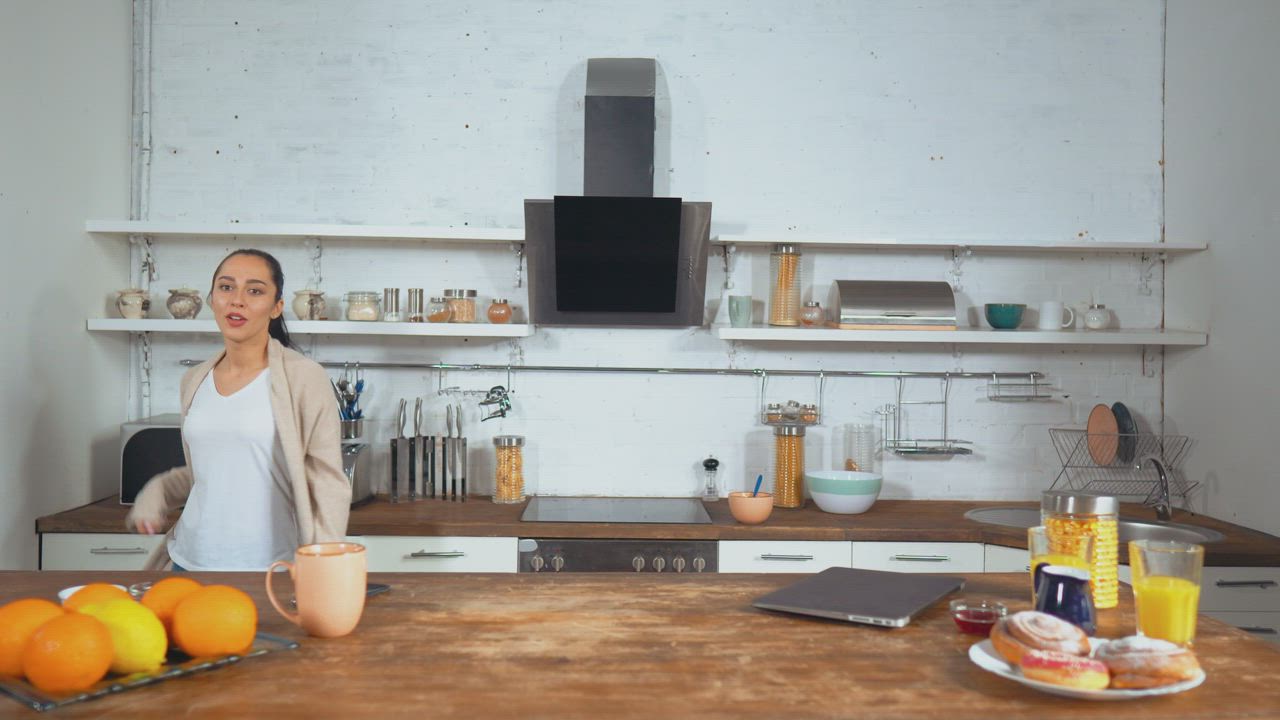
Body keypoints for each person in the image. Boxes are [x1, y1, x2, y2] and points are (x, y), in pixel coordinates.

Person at [126, 249, 350, 571]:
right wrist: (156, 492)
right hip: (187, 562)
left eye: (255, 291)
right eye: (226, 287)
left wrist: (324, 564)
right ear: (212, 299)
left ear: (277, 307)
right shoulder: (194, 379)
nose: (237, 300)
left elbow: (327, 481)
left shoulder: (304, 377)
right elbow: (211, 472)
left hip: (271, 569)